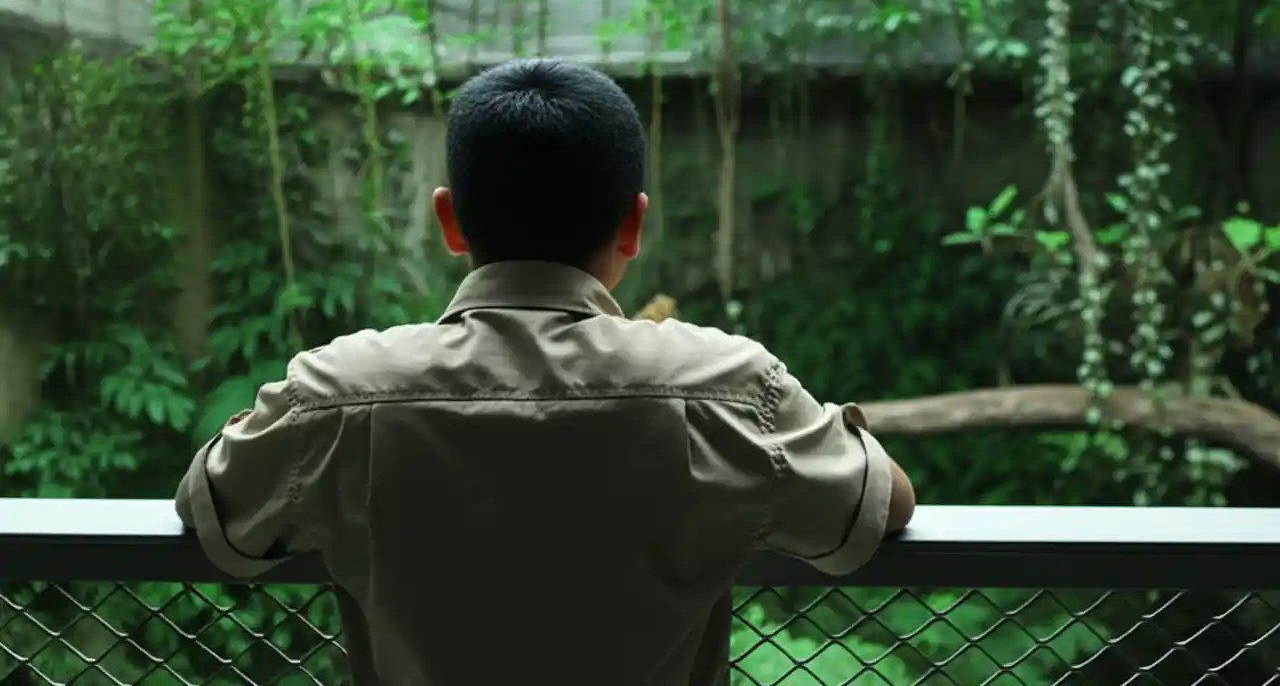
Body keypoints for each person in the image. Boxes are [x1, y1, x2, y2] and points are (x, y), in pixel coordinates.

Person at [175, 58, 915, 686]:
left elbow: (217, 510)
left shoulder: (340, 392)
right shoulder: (727, 387)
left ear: (450, 220)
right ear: (633, 221)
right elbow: (881, 507)